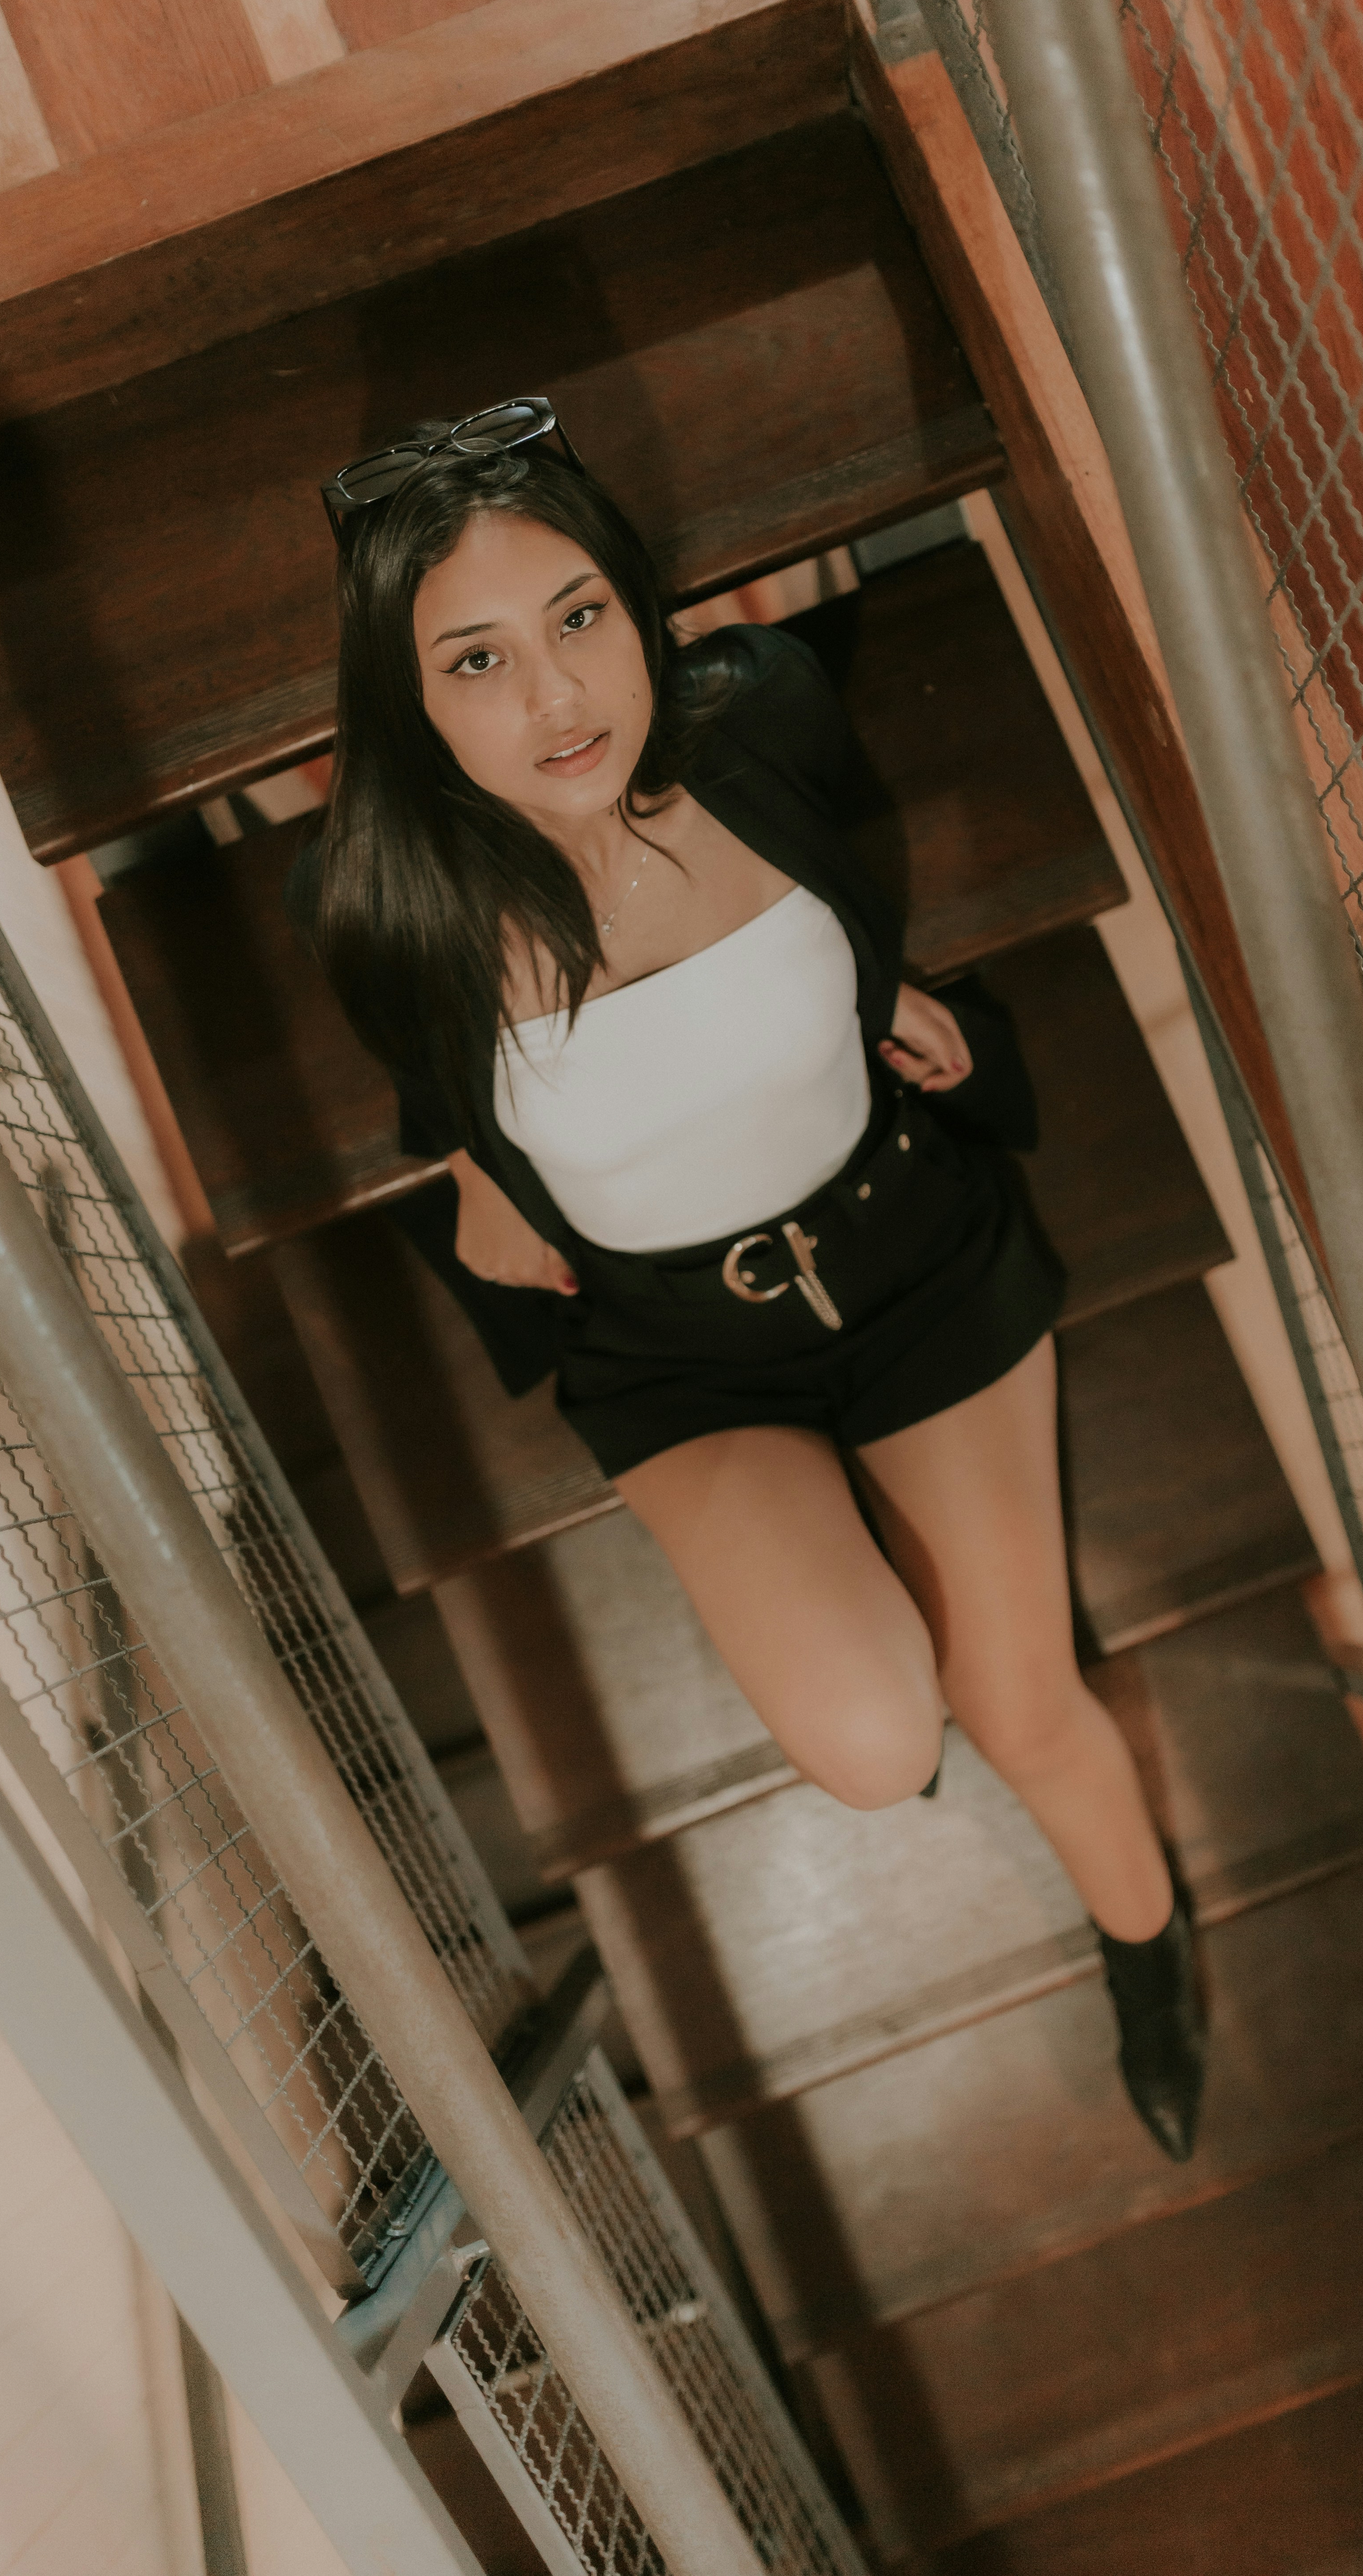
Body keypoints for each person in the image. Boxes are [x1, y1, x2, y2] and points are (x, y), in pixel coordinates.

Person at [301, 398, 1206, 2160]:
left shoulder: (759, 718)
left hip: (911, 1259)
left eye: (576, 618)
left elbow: (839, 880)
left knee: (1022, 1704)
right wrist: (482, 1164)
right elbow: (439, 1083)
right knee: (875, 1741)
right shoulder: (383, 904)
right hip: (676, 1353)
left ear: (633, 606)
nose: (558, 696)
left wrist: (864, 997)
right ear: (411, 704)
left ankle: (1147, 1959)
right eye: (476, 660)